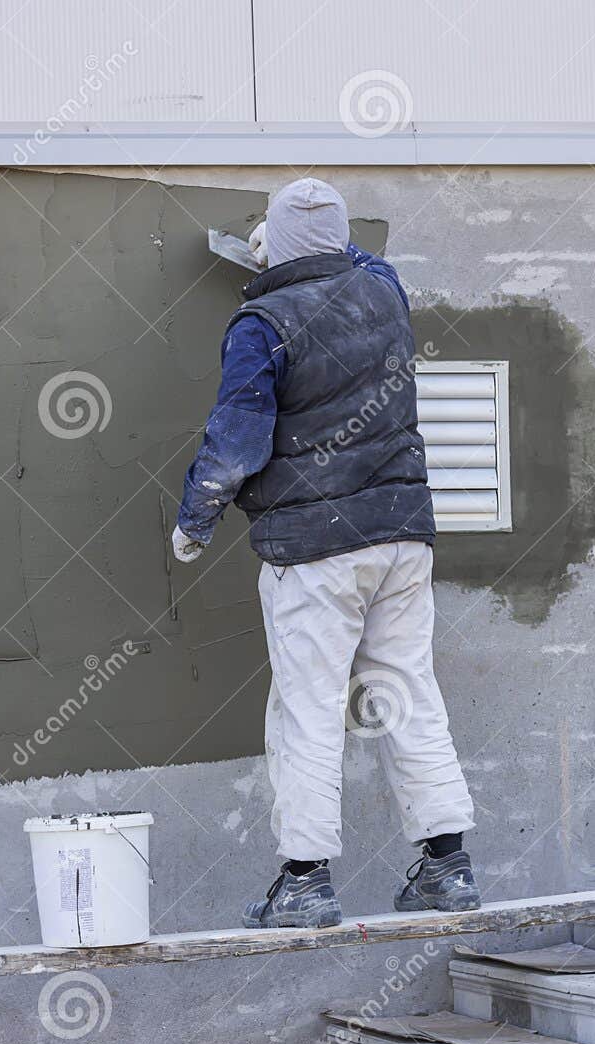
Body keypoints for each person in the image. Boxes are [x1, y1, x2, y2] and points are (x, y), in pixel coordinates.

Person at [173, 179, 478, 929]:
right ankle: (448, 865)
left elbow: (235, 444)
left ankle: (305, 881)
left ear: (273, 241)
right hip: (404, 537)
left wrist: (195, 520)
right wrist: (301, 249)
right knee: (406, 690)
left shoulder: (260, 323)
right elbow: (357, 261)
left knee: (308, 707)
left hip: (316, 551)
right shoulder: (384, 290)